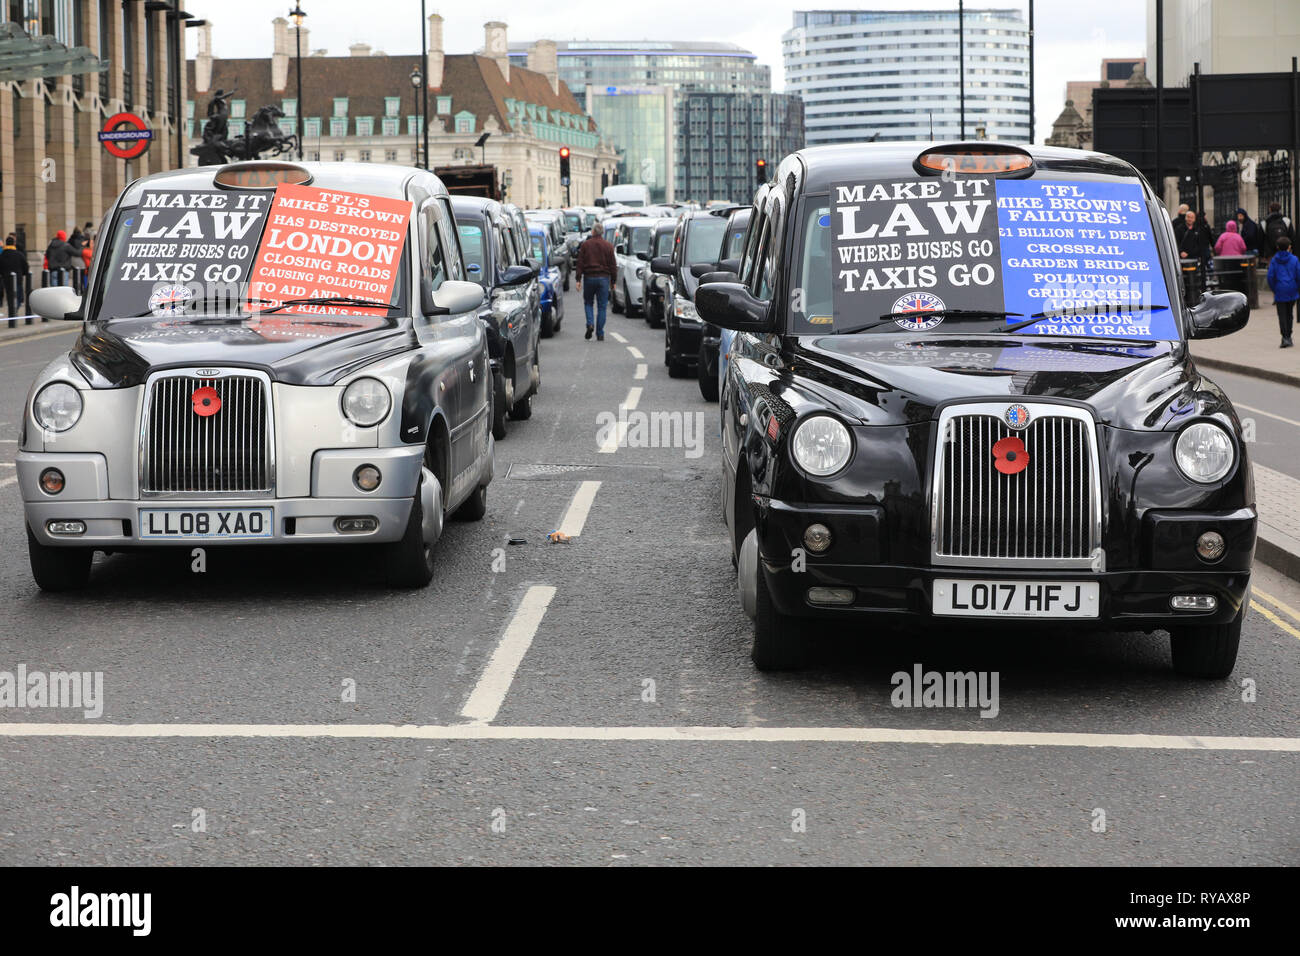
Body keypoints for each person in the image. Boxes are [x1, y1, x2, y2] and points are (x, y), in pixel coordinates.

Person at [574, 221, 616, 341]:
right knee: (602, 306)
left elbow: (580, 263)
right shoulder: (608, 246)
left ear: (592, 232)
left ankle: (590, 324)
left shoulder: (586, 245)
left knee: (588, 303)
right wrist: (613, 281)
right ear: (602, 233)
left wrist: (578, 279)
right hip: (604, 278)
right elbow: (613, 265)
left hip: (589, 277)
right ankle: (600, 333)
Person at [1267, 236, 1300, 348]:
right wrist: (1296, 287)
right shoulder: (1294, 259)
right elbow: (1298, 275)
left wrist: (1274, 289)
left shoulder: (1274, 260)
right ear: (1289, 247)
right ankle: (1289, 336)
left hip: (1280, 289)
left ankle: (1284, 337)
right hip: (1291, 289)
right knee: (1289, 314)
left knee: (1282, 315)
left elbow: (1270, 277)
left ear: (1277, 247)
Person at [1, 234, 29, 316]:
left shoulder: (2, 255)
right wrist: (24, 273)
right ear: (14, 243)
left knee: (10, 295)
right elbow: (25, 266)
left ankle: (12, 311)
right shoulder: (19, 254)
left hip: (6, 279)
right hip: (18, 279)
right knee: (19, 296)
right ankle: (15, 310)